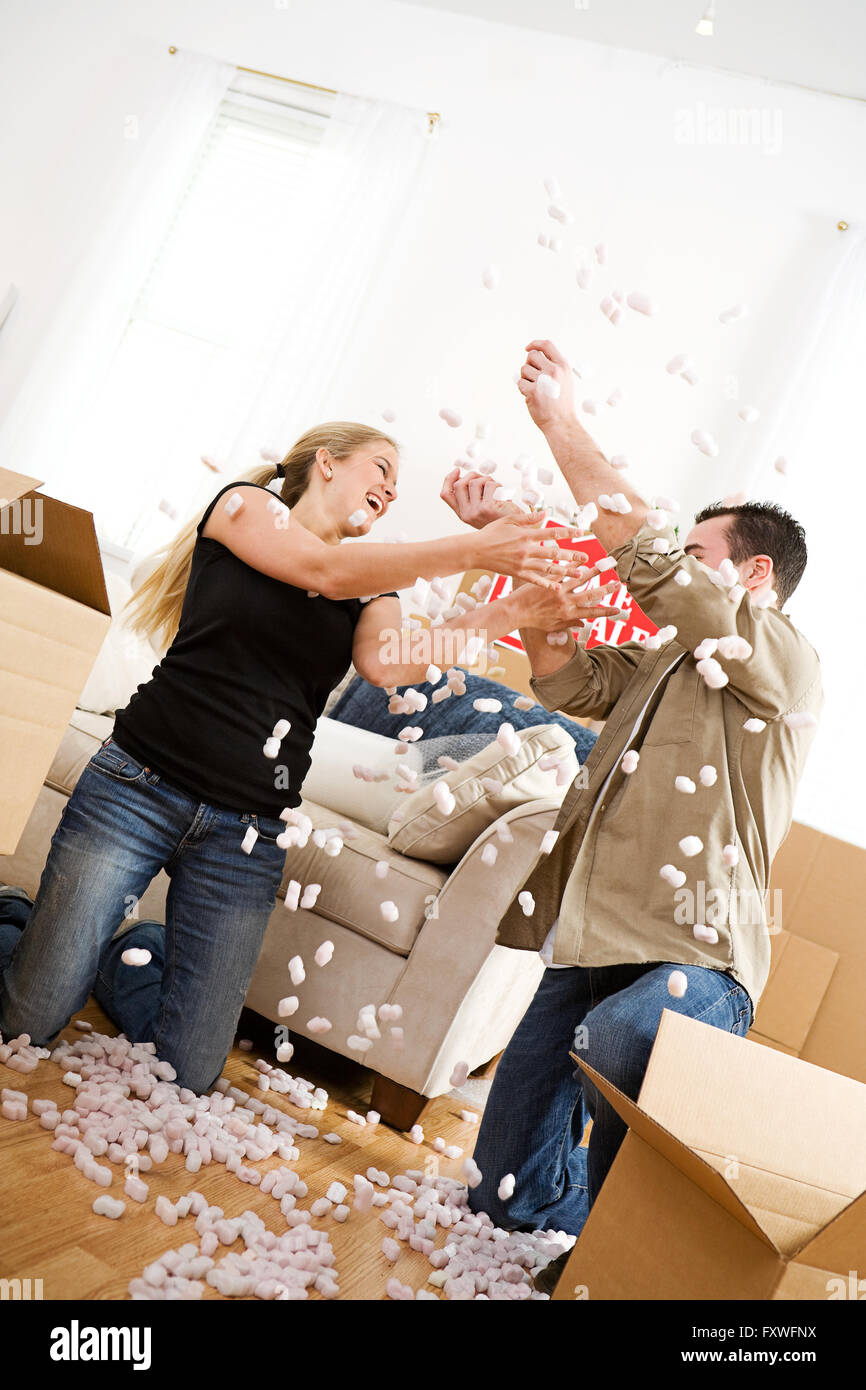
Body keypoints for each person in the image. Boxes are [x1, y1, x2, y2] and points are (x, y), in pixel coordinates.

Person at [0, 420, 612, 1095]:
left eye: (396, 485)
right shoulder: (244, 508)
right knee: (27, 1020)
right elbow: (319, 568)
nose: (389, 489)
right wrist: (472, 547)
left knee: (190, 1075)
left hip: (247, 831)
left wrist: (510, 611)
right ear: (325, 462)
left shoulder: (376, 588)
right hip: (136, 788)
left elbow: (391, 666)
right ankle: (17, 919)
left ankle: (125, 952)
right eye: (380, 468)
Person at [440, 340, 823, 1294]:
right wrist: (519, 555)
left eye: (699, 558)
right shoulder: (668, 662)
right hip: (593, 934)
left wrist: (561, 426)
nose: (670, 575)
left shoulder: (780, 662)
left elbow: (650, 563)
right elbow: (572, 675)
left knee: (623, 1035)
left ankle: (619, 1249)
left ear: (755, 575)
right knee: (498, 1194)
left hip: (698, 957)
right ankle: (575, 1210)